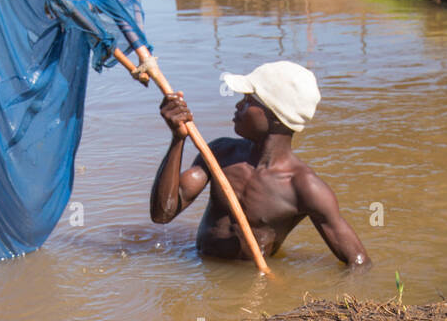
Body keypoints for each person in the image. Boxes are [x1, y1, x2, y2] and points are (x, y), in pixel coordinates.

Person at [150, 61, 370, 266]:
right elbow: (163, 214)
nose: (238, 105)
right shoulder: (220, 153)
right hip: (200, 267)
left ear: (275, 116)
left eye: (248, 101)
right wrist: (178, 139)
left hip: (249, 286)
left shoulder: (304, 187)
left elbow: (358, 263)